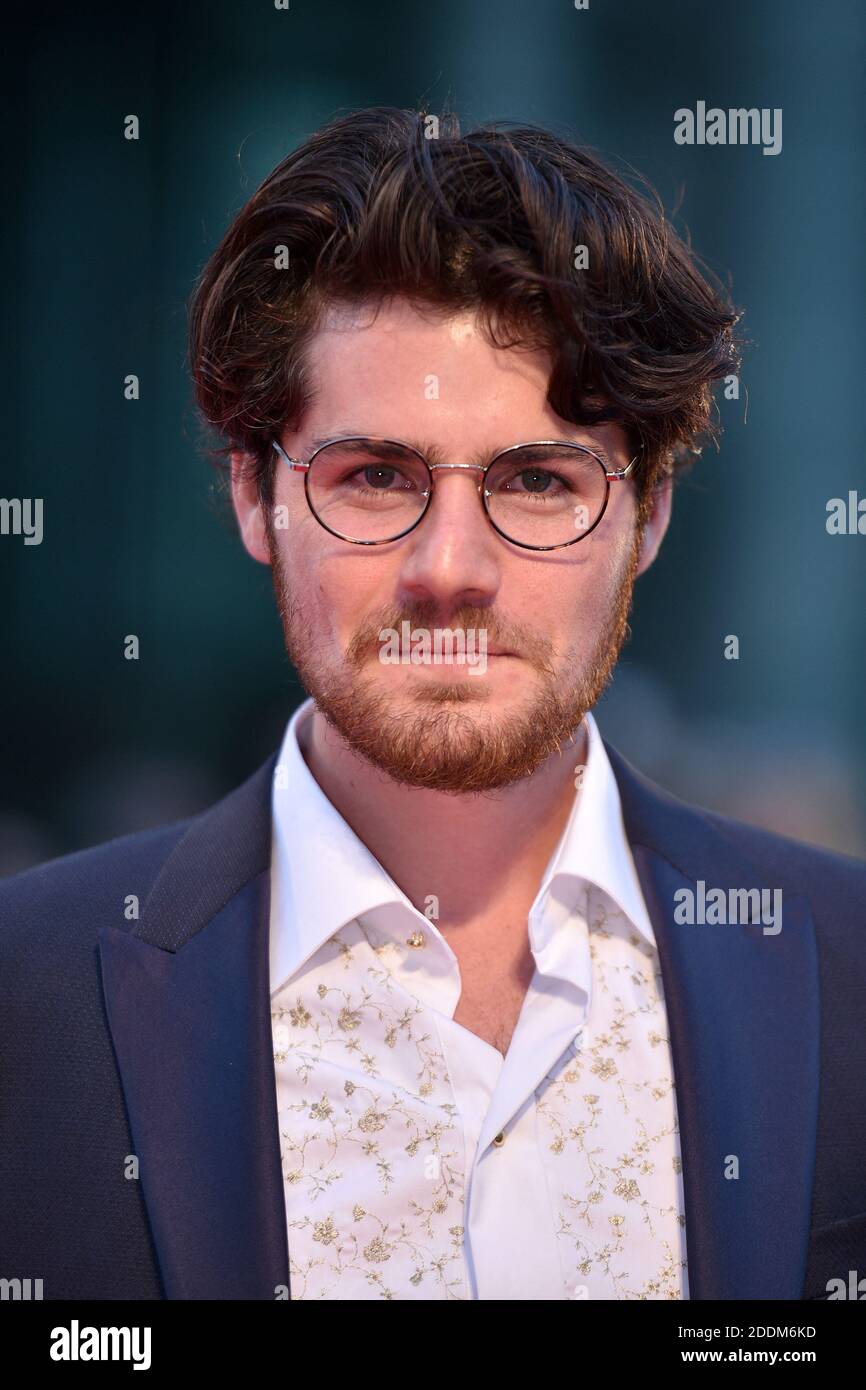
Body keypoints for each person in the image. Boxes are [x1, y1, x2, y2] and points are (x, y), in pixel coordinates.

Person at [2, 107, 865, 1302]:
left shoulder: (844, 964)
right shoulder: (20, 1001)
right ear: (256, 497)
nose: (449, 563)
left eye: (535, 479)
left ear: (648, 514)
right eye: (374, 476)